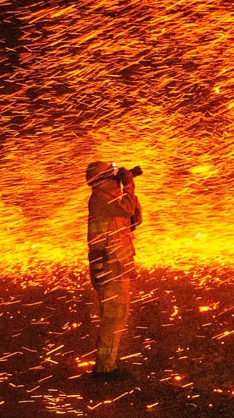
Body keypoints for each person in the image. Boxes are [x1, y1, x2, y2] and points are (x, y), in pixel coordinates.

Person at [85, 161, 143, 380]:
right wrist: (128, 186)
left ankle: (108, 364)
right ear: (103, 180)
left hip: (118, 265)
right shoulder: (100, 199)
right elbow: (126, 208)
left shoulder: (111, 199)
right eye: (113, 176)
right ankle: (104, 369)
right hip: (110, 267)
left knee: (117, 316)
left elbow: (134, 218)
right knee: (112, 317)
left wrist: (129, 188)